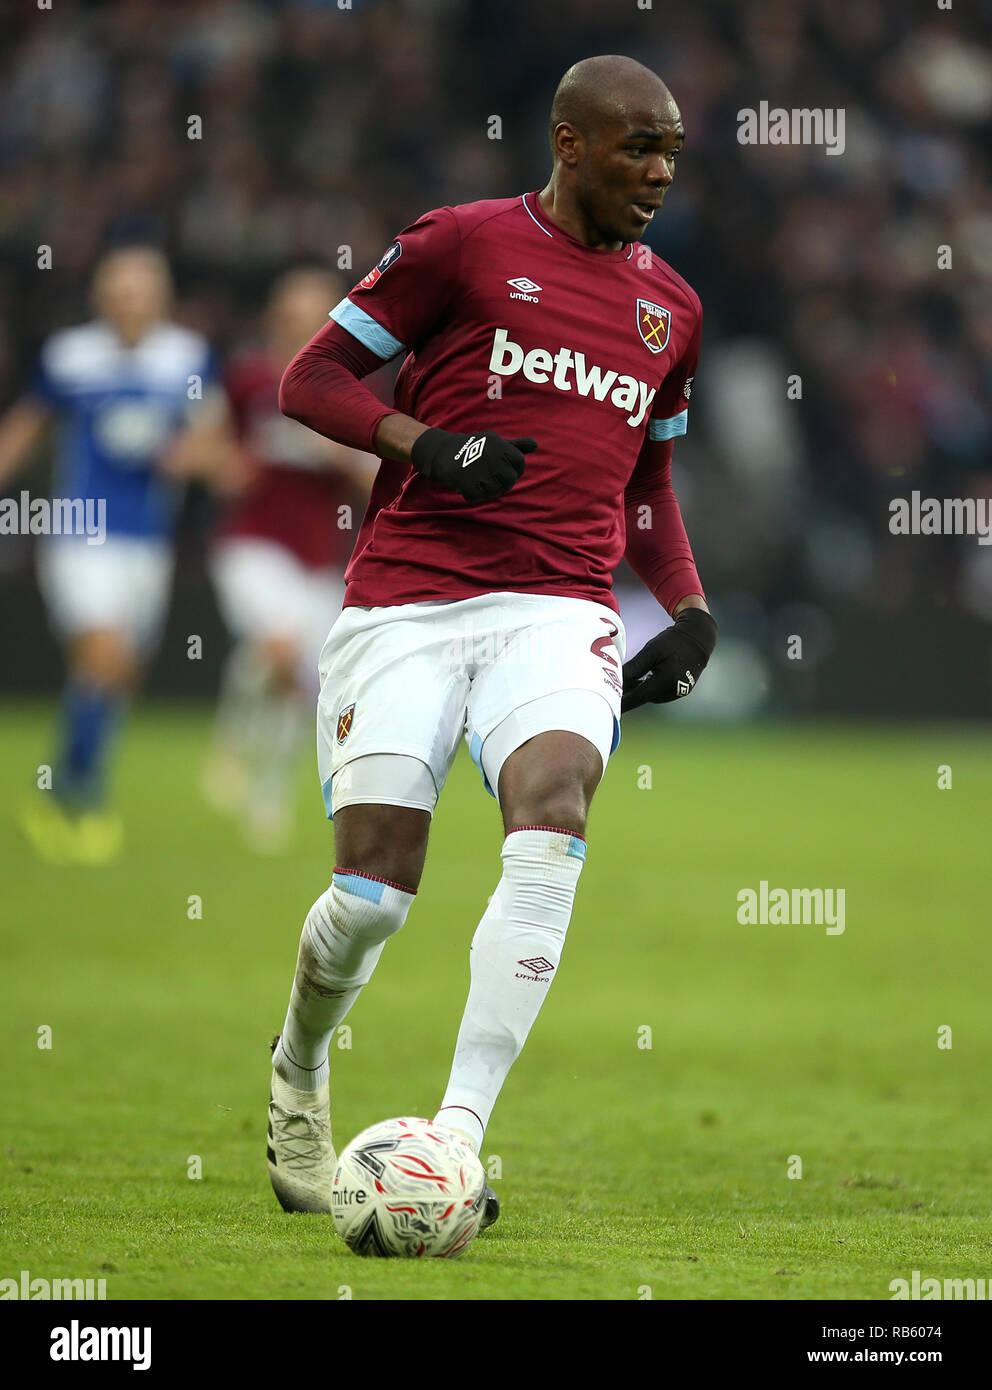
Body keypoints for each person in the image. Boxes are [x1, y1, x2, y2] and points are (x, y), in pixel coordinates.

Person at [266, 55, 717, 1229]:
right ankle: (299, 1074)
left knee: (555, 809)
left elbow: (647, 485)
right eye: (637, 147)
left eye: (670, 150)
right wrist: (426, 446)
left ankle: (455, 1139)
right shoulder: (460, 244)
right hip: (407, 597)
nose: (659, 172)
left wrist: (687, 602)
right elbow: (306, 382)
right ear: (568, 143)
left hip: (558, 606)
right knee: (371, 896)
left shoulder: (671, 306)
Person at [0, 246, 231, 864]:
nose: (130, 302)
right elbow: (26, 427)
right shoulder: (70, 355)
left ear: (160, 299)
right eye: (120, 291)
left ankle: (54, 793)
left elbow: (215, 441)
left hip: (147, 539)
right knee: (101, 654)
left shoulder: (186, 357)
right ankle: (85, 798)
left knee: (118, 674)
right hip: (80, 530)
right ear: (103, 297)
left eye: (141, 291)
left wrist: (192, 455)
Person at [203, 268, 375, 853]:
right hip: (251, 542)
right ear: (275, 318)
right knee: (277, 649)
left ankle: (268, 793)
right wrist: (223, 463)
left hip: (317, 554)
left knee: (299, 681)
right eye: (290, 314)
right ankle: (227, 748)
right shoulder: (249, 377)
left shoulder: (343, 388)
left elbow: (375, 470)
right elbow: (211, 442)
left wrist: (338, 453)